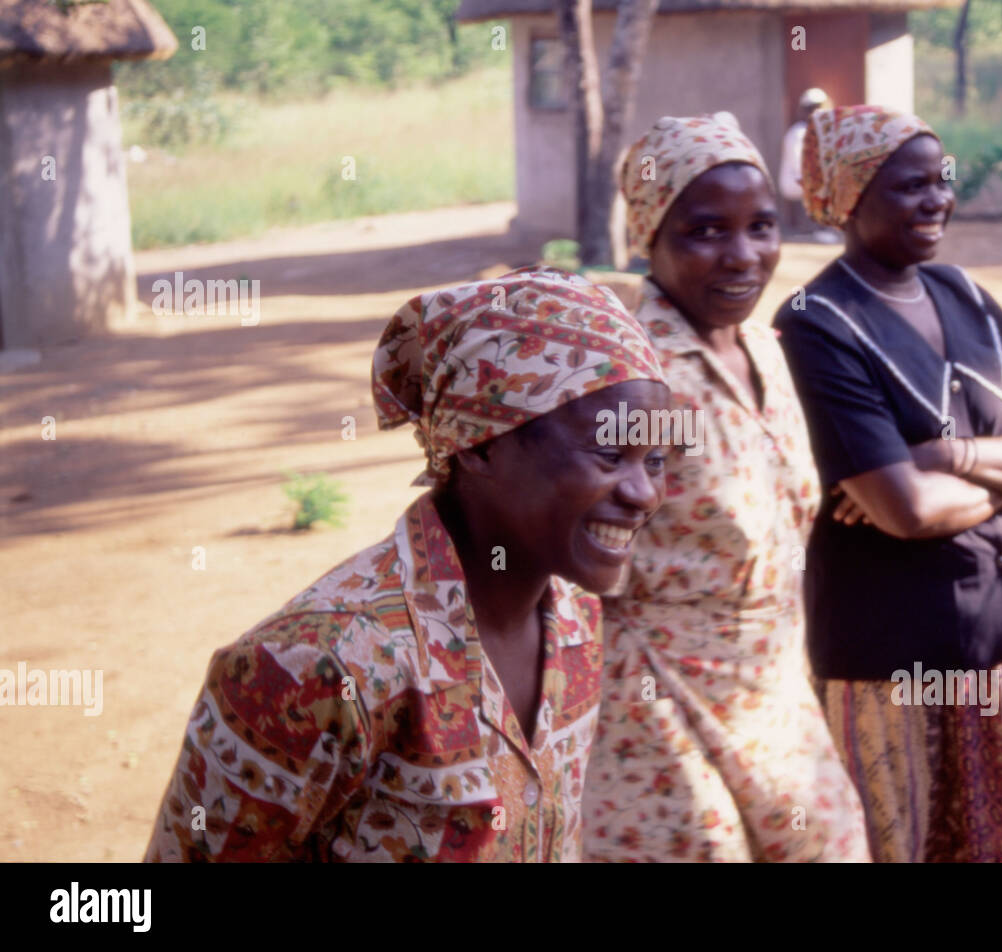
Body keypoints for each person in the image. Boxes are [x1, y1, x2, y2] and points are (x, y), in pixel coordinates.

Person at [144, 267, 673, 862]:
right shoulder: (318, 665)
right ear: (479, 445)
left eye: (655, 459)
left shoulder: (576, 623)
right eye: (608, 454)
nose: (645, 493)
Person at [773, 105, 1002, 862]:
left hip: (999, 636)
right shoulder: (817, 323)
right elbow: (908, 513)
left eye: (940, 181)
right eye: (909, 186)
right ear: (849, 196)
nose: (936, 200)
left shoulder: (969, 298)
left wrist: (948, 457)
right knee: (904, 840)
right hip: (888, 658)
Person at [582, 112, 869, 862]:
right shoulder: (629, 376)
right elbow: (562, 557)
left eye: (762, 226)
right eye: (706, 231)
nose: (743, 256)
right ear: (651, 234)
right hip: (653, 708)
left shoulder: (767, 354)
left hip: (775, 694)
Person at [778, 87, 838, 244]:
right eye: (812, 108)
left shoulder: (816, 131)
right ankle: (815, 230)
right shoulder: (798, 132)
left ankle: (820, 228)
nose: (817, 111)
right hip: (796, 182)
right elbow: (800, 166)